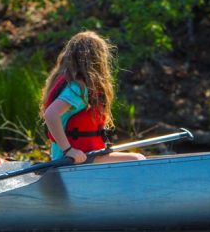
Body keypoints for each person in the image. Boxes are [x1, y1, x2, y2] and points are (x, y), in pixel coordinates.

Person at [41, 30, 145, 165]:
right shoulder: (77, 89)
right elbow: (50, 114)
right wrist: (68, 150)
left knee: (138, 159)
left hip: (87, 155)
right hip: (72, 159)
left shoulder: (79, 86)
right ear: (97, 59)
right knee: (138, 160)